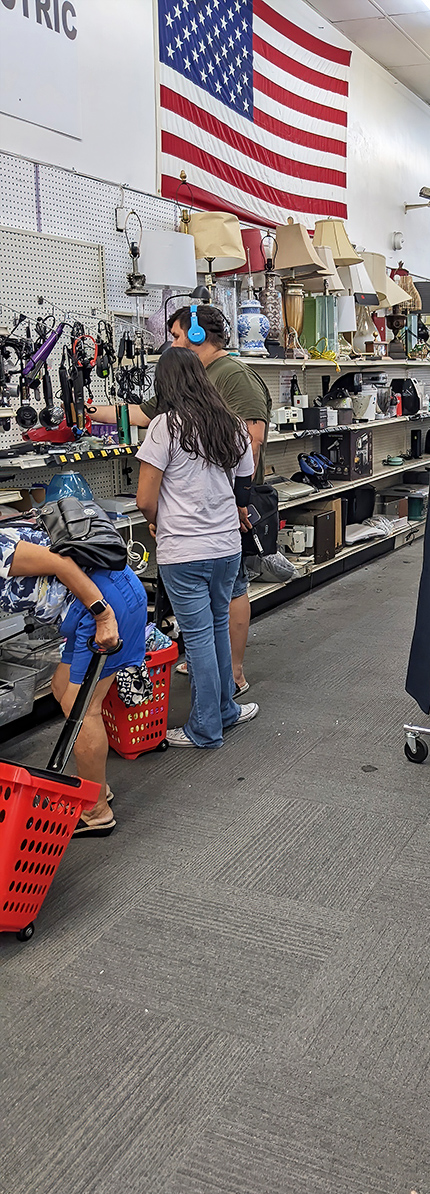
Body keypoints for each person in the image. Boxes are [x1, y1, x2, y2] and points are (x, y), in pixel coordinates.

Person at [91, 305, 271, 695]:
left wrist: (237, 502)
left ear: (197, 335)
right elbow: (142, 413)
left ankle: (233, 675)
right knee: (215, 612)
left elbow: (252, 441)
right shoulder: (190, 383)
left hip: (227, 508)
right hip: (217, 518)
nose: (172, 343)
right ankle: (221, 689)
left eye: (176, 335)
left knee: (229, 597)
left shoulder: (233, 376)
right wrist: (87, 412)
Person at [136, 346, 259, 749]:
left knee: (199, 638)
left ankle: (205, 728)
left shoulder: (165, 426)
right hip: (226, 546)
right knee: (218, 628)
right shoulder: (231, 424)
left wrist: (157, 519)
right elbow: (244, 480)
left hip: (184, 550)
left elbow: (144, 498)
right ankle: (225, 710)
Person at [0, 527, 147, 836]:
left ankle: (96, 811)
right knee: (62, 687)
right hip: (97, 599)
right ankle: (97, 787)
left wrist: (103, 617)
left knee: (82, 708)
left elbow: (61, 563)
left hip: (102, 605)